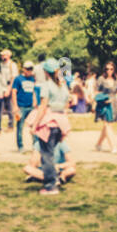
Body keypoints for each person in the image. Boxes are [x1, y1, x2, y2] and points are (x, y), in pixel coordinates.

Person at [28, 59, 71, 195]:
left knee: (46, 156)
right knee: (51, 154)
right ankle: (54, 180)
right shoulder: (63, 86)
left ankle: (50, 186)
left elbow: (43, 106)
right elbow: (66, 104)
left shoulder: (46, 86)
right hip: (60, 121)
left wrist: (35, 125)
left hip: (49, 121)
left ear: (45, 72)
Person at [10, 60, 42, 152]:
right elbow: (14, 92)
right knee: (20, 127)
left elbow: (33, 91)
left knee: (34, 125)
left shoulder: (32, 79)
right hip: (21, 106)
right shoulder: (18, 79)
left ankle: (35, 145)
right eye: (27, 69)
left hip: (31, 106)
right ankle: (20, 146)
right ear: (23, 69)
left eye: (31, 69)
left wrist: (35, 102)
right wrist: (15, 106)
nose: (29, 71)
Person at [93, 62, 117, 154]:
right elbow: (96, 92)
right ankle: (113, 147)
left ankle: (98, 144)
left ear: (114, 70)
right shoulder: (101, 79)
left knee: (108, 126)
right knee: (107, 125)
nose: (109, 71)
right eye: (107, 69)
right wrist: (102, 99)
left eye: (111, 69)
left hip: (113, 104)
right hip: (104, 104)